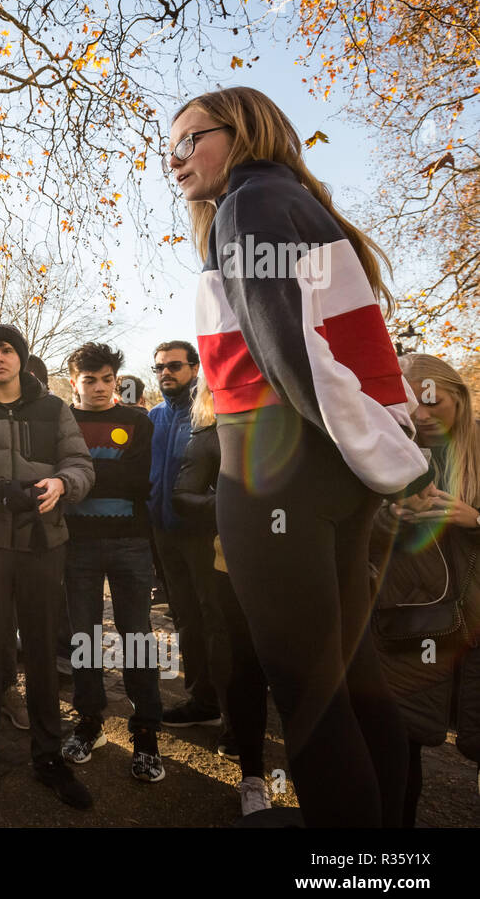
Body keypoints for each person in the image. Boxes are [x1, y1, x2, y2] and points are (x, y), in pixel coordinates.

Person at [174, 85, 432, 826]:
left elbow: (297, 354)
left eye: (192, 139)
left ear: (244, 131)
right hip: (328, 475)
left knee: (311, 701)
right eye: (170, 146)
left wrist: (377, 458)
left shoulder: (246, 206)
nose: (175, 158)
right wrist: (373, 462)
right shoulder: (292, 203)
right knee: (353, 684)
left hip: (273, 469)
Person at [0, 323, 96, 812]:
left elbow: (82, 464)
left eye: (6, 349)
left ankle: (48, 757)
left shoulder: (55, 408)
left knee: (45, 648)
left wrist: (64, 485)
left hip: (42, 544)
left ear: (21, 358)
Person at [371, 353, 480, 826]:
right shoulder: (386, 458)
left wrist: (475, 520)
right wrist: (385, 521)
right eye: (410, 403)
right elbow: (354, 540)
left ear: (458, 394)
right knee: (400, 749)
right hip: (412, 628)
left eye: (433, 401)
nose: (421, 414)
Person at [60, 342, 164, 783]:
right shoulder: (60, 421)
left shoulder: (138, 420)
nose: (101, 388)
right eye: (90, 380)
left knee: (137, 635)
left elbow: (140, 481)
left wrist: (78, 477)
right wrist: (89, 476)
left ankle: (146, 734)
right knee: (83, 636)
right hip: (77, 546)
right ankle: (91, 723)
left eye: (108, 379)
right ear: (74, 382)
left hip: (130, 543)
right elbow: (57, 471)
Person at [172, 376, 272, 816]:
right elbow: (183, 496)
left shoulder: (305, 428)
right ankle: (253, 775)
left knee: (302, 675)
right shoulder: (209, 438)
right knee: (244, 667)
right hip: (232, 570)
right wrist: (229, 505)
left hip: (303, 574)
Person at [147, 340, 229, 736]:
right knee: (186, 620)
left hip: (205, 537)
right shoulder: (153, 417)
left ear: (195, 369)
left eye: (175, 366)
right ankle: (204, 700)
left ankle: (231, 703)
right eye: (160, 367)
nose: (166, 373)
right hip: (164, 536)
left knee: (217, 620)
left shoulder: (212, 413)